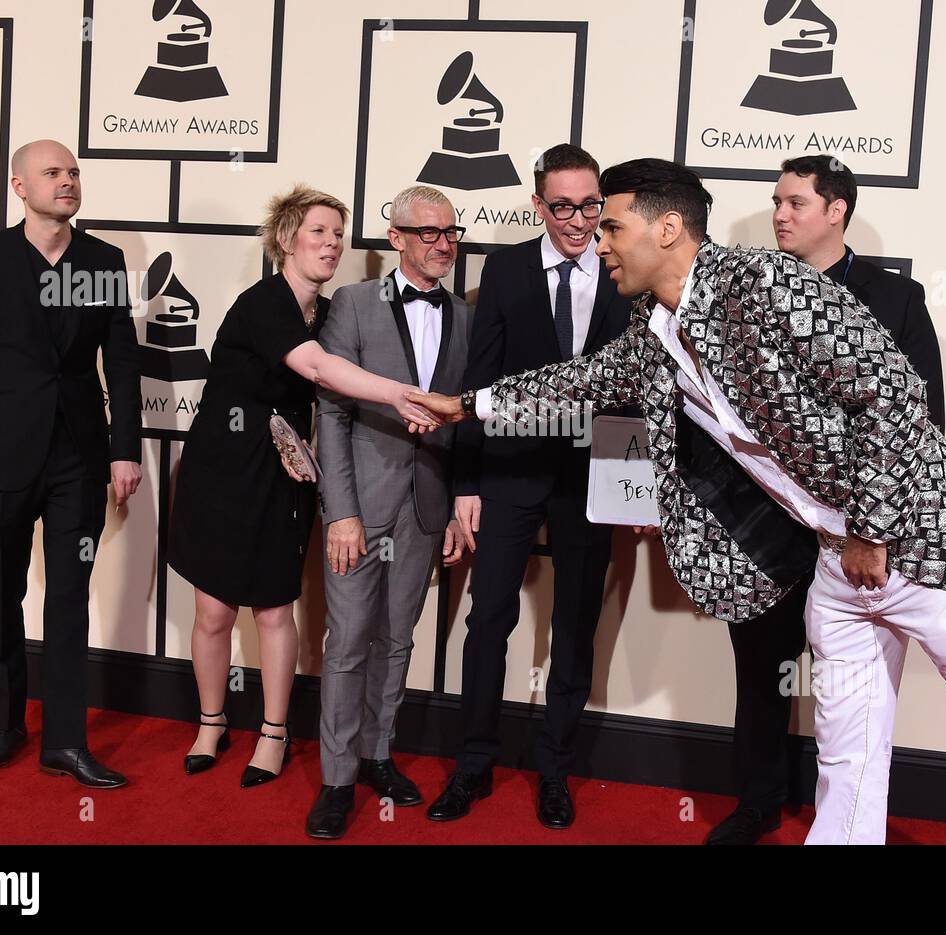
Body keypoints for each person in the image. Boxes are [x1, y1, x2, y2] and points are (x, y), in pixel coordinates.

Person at [412, 158, 946, 845]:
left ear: (667, 230)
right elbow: (582, 380)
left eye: (612, 228)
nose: (597, 245)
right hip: (837, 563)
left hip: (926, 544)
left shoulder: (763, 283)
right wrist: (467, 405)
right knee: (847, 760)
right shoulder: (653, 330)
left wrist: (872, 531)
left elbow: (892, 389)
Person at [703, 154, 946, 845]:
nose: (779, 214)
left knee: (856, 690)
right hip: (767, 520)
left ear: (836, 210)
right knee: (760, 668)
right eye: (776, 202)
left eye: (795, 203)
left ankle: (845, 817)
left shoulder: (896, 298)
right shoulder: (747, 292)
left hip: (857, 530)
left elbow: (919, 420)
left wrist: (886, 525)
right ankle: (757, 800)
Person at [167, 185, 438, 789]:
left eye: (338, 234)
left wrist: (311, 443)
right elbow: (316, 370)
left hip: (280, 476)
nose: (332, 244)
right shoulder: (264, 302)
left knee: (273, 608)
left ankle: (272, 733)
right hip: (220, 473)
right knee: (212, 610)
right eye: (318, 231)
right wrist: (397, 392)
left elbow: (320, 396)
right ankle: (210, 724)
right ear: (288, 239)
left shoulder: (328, 311)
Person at [426, 144, 633, 830]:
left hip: (592, 478)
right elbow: (478, 382)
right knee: (488, 620)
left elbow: (636, 390)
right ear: (538, 204)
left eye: (591, 204)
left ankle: (555, 769)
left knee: (574, 625)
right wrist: (466, 481)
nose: (579, 221)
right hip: (509, 471)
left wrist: (635, 490)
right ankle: (473, 763)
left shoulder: (622, 264)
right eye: (564, 205)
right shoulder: (507, 268)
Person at [0, 139, 142, 788]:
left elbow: (124, 363)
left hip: (78, 458)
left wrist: (124, 450)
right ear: (19, 186)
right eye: (52, 173)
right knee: (1, 594)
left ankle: (65, 740)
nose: (67, 181)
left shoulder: (103, 260)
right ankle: (7, 723)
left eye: (73, 172)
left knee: (68, 599)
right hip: (0, 457)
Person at [305, 186, 470, 839]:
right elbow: (332, 412)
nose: (442, 243)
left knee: (397, 638)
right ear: (396, 237)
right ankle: (337, 777)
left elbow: (464, 425)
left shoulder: (466, 315)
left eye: (451, 232)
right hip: (360, 506)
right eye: (427, 232)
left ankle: (377, 754)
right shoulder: (350, 304)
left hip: (425, 505)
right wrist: (339, 511)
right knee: (346, 643)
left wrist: (458, 504)